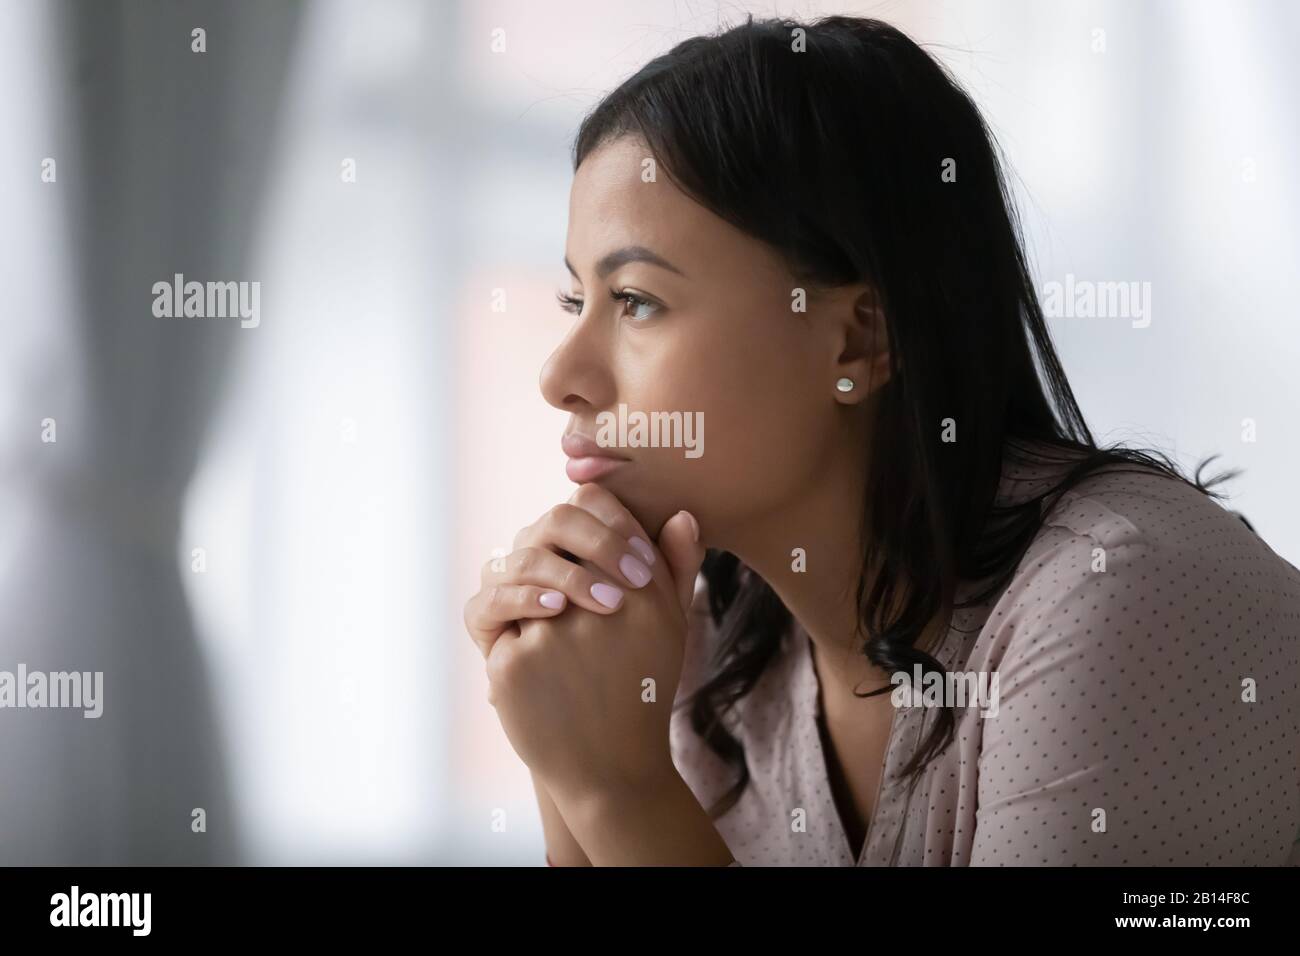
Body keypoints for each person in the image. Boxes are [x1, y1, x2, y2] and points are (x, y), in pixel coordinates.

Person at [463, 15, 1300, 866]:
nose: (559, 375)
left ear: (858, 341)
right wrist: (566, 751)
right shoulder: (682, 645)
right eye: (577, 303)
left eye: (636, 300)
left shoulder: (1122, 599)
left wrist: (617, 787)